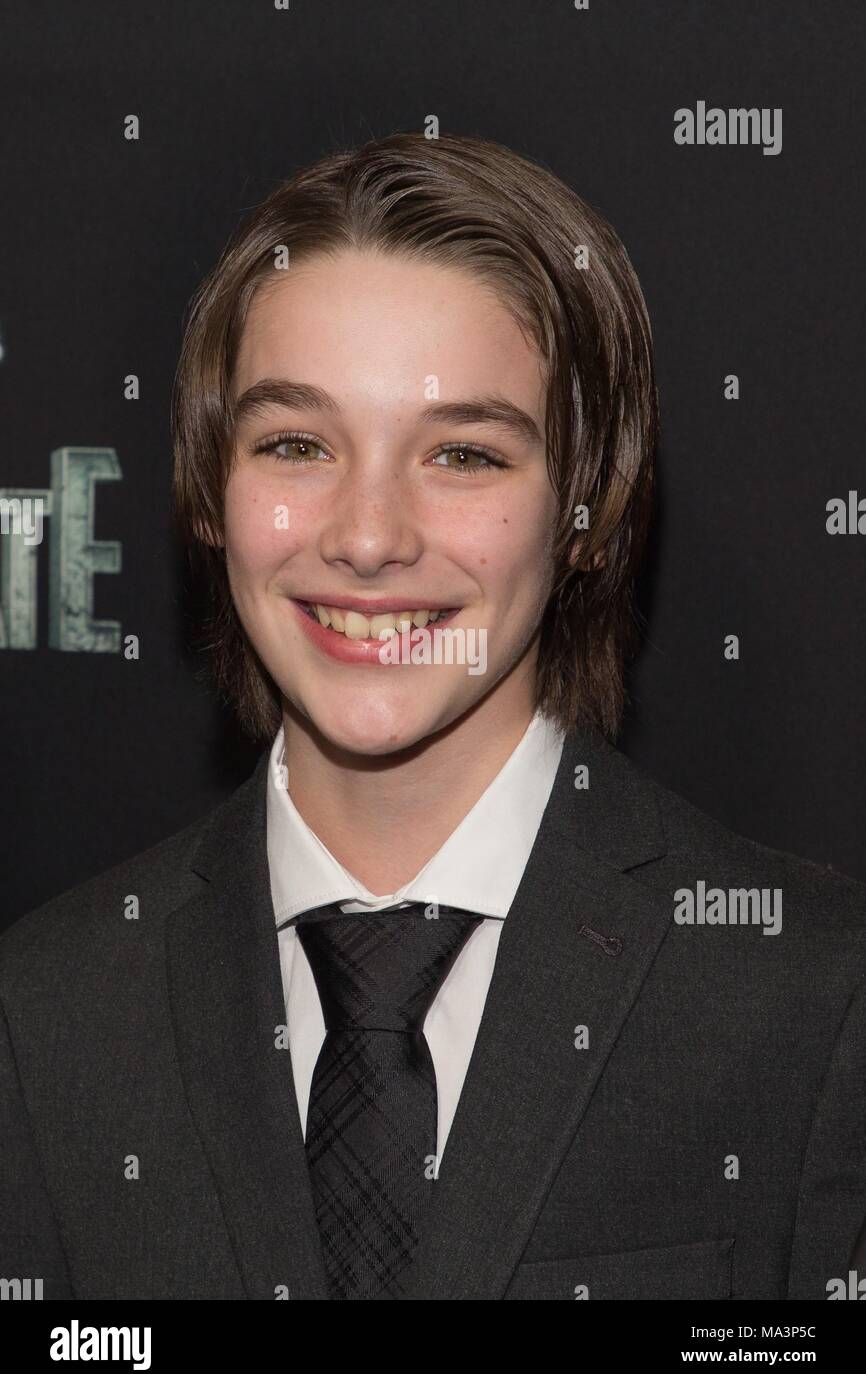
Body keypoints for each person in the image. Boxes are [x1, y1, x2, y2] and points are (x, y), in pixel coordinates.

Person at [1, 132, 864, 1302]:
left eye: (461, 453)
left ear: (587, 508)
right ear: (213, 490)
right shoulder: (45, 1014)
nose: (365, 537)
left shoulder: (812, 1000)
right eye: (296, 444)